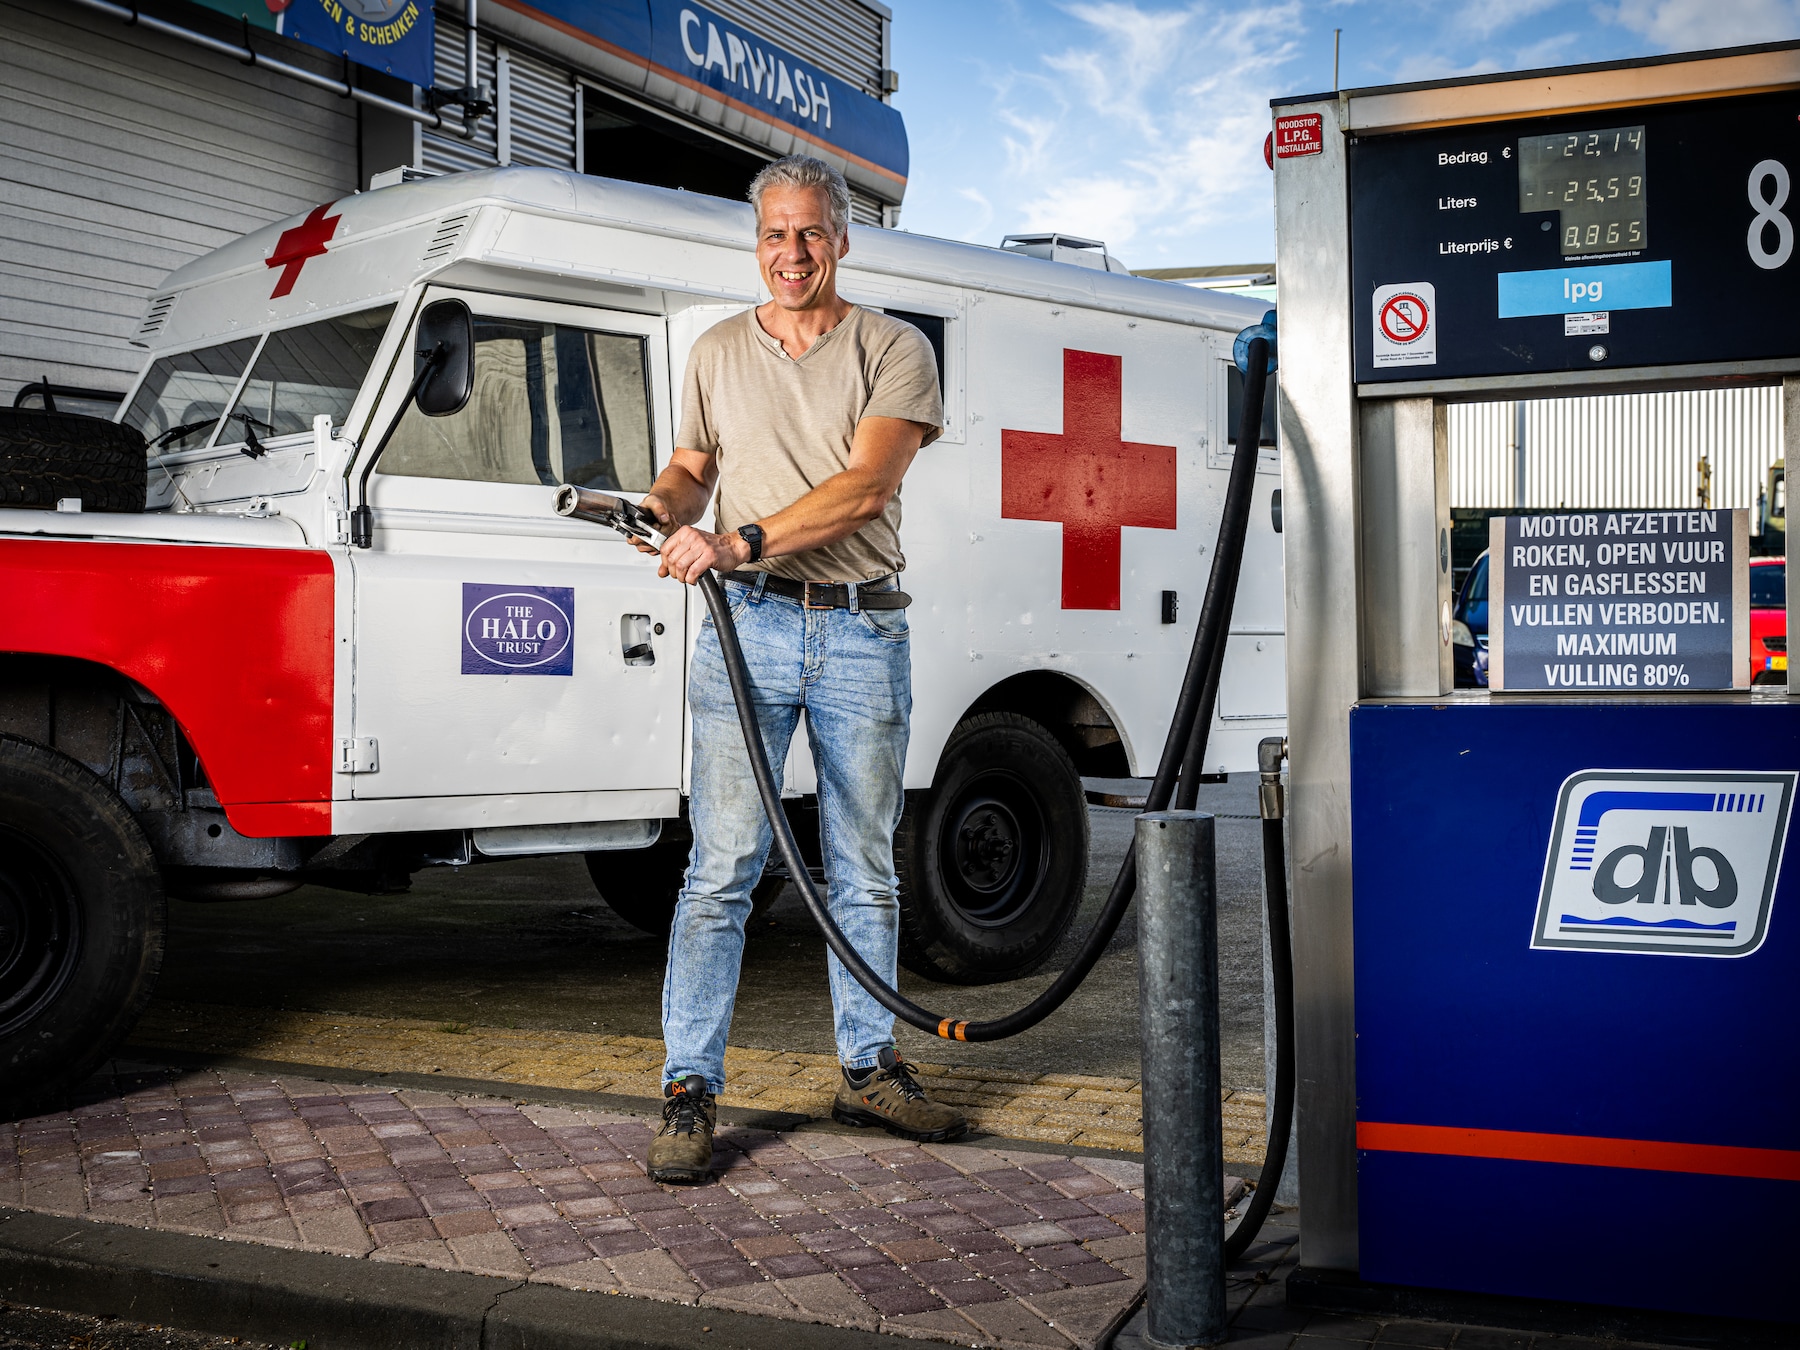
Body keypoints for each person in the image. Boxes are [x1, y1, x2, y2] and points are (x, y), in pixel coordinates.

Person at [634, 155, 966, 1184]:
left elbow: (866, 488)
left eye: (811, 233)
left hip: (861, 632)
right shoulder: (719, 348)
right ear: (757, 239)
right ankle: (688, 1086)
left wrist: (735, 542)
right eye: (776, 233)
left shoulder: (893, 348)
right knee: (720, 868)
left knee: (862, 869)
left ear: (844, 237)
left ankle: (868, 1070)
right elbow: (693, 468)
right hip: (750, 628)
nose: (792, 252)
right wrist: (658, 508)